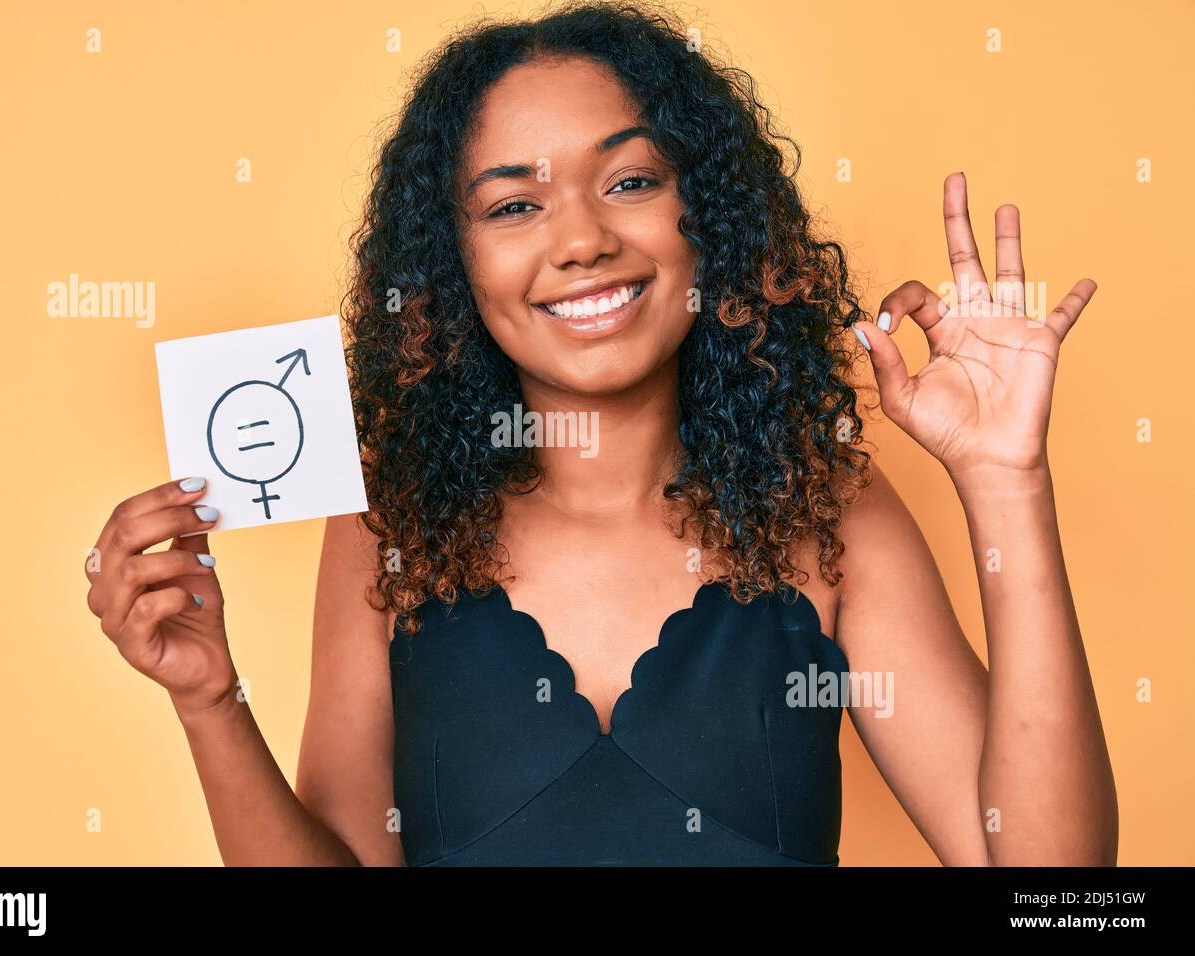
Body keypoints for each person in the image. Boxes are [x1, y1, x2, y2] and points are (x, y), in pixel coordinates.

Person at [83, 1, 1117, 866]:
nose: (581, 240)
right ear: (454, 264)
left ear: (705, 216)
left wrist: (1004, 479)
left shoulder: (826, 511)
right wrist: (211, 701)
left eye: (630, 181)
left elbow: (1051, 892)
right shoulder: (390, 523)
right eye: (513, 204)